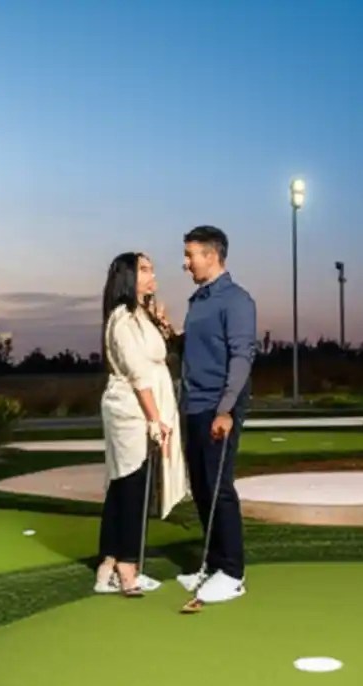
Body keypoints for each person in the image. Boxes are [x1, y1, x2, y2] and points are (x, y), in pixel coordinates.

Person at [167, 226, 258, 605]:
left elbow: (241, 357)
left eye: (190, 255)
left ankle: (233, 573)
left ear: (212, 255)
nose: (185, 263)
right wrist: (170, 335)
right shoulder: (198, 300)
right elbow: (194, 350)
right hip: (193, 405)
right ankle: (213, 563)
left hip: (219, 407)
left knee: (220, 488)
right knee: (202, 489)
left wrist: (226, 409)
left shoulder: (236, 300)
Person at [95, 253, 189, 597]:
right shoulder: (122, 321)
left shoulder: (139, 316)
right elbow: (138, 376)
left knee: (121, 488)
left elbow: (159, 355)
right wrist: (155, 420)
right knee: (132, 488)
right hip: (131, 413)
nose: (153, 276)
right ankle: (128, 569)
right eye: (145, 269)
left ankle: (107, 567)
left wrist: (163, 326)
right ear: (128, 276)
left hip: (138, 411)